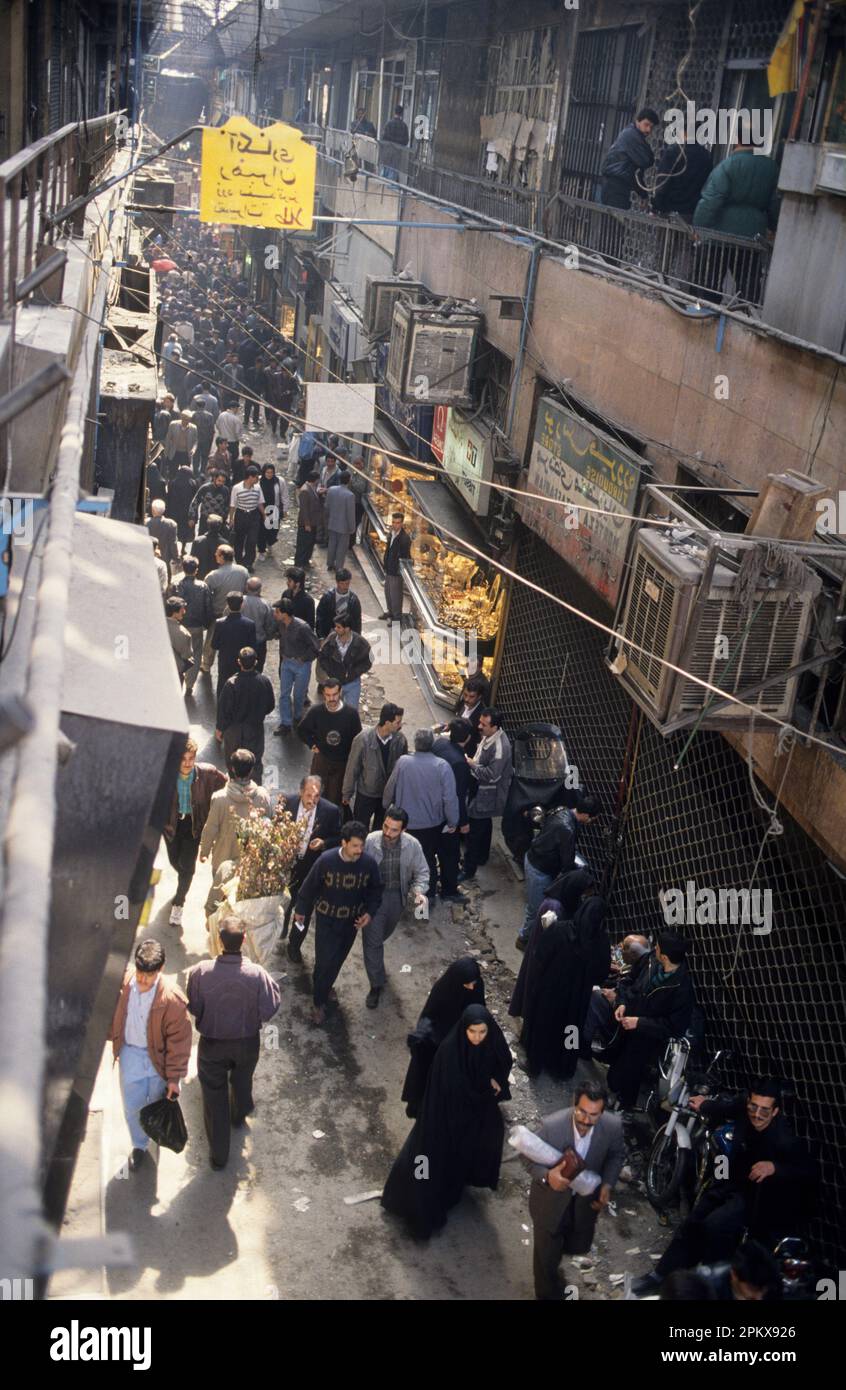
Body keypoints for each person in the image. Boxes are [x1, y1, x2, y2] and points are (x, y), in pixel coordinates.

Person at [632, 1080, 818, 1297]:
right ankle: (661, 1275)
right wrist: (703, 1105)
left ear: (775, 1111)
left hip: (752, 1196)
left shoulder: (783, 1140)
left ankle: (711, 1287)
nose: (757, 1114)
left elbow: (808, 1171)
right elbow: (722, 1108)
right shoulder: (743, 1107)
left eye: (764, 1110)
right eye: (753, 1106)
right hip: (728, 1179)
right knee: (693, 1221)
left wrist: (775, 1167)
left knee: (715, 1228)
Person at [381, 1003, 512, 1239]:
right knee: (431, 1162)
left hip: (471, 1116)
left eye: (482, 1032)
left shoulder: (492, 1043)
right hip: (445, 1117)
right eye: (472, 1032)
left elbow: (502, 1063)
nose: (477, 1037)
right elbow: (451, 1091)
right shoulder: (450, 1053)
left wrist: (495, 1080)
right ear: (464, 1030)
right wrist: (485, 1089)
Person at [187, 917, 280, 1170]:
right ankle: (239, 1114)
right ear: (244, 941)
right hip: (246, 1043)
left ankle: (219, 1156)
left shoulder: (200, 972)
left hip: (212, 1046)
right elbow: (270, 1007)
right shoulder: (257, 974)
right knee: (241, 1080)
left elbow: (194, 1007)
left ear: (219, 940)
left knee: (214, 1097)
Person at [525, 1082, 625, 1301]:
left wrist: (607, 1184)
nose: (585, 1121)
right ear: (574, 1104)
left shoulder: (613, 1127)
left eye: (593, 1115)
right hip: (548, 1207)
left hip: (583, 1207)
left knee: (575, 1245)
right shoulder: (551, 1126)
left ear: (603, 1112)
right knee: (545, 1263)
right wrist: (547, 1176)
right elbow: (527, 1157)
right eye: (581, 1111)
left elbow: (617, 1155)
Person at [107, 939, 192, 1171]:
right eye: (140, 974)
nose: (143, 980)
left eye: (150, 975)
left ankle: (154, 1135)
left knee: (156, 1103)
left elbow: (180, 1043)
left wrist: (174, 1079)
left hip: (159, 1062)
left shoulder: (172, 1000)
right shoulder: (122, 985)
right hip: (130, 1056)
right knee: (132, 1106)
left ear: (161, 970)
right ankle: (139, 1145)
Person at [518, 878, 610, 1079]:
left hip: (550, 991)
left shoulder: (560, 930)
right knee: (571, 1030)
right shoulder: (601, 943)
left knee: (544, 1025)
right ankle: (562, 1067)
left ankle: (535, 1064)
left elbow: (540, 955)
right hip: (577, 999)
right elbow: (602, 973)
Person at [293, 821, 382, 1024]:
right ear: (344, 843)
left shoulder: (368, 864)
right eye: (355, 846)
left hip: (351, 923)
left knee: (337, 960)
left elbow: (376, 890)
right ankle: (318, 1002)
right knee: (324, 962)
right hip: (327, 921)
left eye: (362, 846)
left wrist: (369, 912)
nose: (359, 850)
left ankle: (325, 986)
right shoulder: (326, 861)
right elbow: (308, 888)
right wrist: (300, 911)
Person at [606, 930, 696, 1110]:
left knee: (631, 1071)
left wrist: (639, 1023)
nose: (654, 948)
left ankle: (626, 1108)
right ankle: (615, 1093)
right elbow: (627, 982)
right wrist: (622, 1003)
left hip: (646, 1040)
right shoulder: (649, 962)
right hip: (623, 1025)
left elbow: (674, 1027)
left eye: (658, 947)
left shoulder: (682, 989)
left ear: (664, 956)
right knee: (615, 1068)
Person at [362, 806, 429, 1009]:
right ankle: (376, 984)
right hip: (373, 899)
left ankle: (375, 959)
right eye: (386, 827)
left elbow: (423, 872)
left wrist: (418, 891)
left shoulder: (413, 846)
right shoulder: (370, 841)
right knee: (372, 942)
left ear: (404, 830)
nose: (388, 833)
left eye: (394, 830)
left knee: (382, 935)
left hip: (396, 898)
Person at [400, 958, 484, 1118]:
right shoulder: (443, 991)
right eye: (467, 984)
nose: (472, 987)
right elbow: (429, 1016)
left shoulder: (475, 987)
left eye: (474, 983)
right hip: (434, 1048)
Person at [382, 728, 459, 899]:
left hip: (405, 825)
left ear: (415, 744)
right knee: (426, 861)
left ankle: (397, 894)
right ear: (432, 744)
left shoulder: (403, 762)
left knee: (401, 858)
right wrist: (453, 822)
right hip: (431, 826)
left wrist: (386, 805)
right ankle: (425, 899)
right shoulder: (442, 766)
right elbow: (450, 798)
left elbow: (390, 788)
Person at [517, 793, 601, 947]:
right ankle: (524, 938)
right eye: (592, 818)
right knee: (535, 909)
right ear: (586, 815)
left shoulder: (561, 810)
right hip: (539, 869)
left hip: (536, 860)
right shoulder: (567, 829)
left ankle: (531, 936)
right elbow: (567, 863)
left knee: (537, 906)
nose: (591, 822)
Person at [163, 739, 226, 926]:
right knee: (176, 862)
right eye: (183, 759)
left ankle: (178, 902)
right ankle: (183, 881)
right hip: (172, 826)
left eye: (191, 758)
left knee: (187, 868)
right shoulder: (167, 776)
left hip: (194, 825)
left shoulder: (207, 773)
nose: (187, 763)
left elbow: (226, 784)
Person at [281, 775, 343, 957]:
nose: (312, 800)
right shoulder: (287, 802)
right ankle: (282, 926)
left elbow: (339, 838)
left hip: (312, 869)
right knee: (284, 902)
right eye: (308, 795)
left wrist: (324, 842)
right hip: (287, 865)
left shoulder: (330, 811)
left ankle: (294, 944)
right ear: (301, 792)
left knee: (304, 909)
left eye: (316, 797)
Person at [460, 707, 513, 882]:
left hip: (487, 794)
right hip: (484, 792)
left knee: (475, 830)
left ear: (495, 727)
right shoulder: (490, 737)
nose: (479, 726)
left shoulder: (499, 748)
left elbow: (492, 775)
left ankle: (469, 868)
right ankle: (482, 857)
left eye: (484, 724)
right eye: (480, 722)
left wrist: (471, 765)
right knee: (484, 824)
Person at [199, 749, 272, 876]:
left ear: (232, 769)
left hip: (222, 860)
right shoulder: (262, 795)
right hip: (250, 861)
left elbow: (211, 828)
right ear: (251, 770)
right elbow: (269, 824)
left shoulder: (219, 798)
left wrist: (204, 852)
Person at [693, 139, 780, 238]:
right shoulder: (772, 168)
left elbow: (710, 201)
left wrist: (699, 227)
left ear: (737, 140)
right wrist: (774, 228)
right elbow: (774, 204)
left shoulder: (728, 165)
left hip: (723, 233)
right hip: (755, 236)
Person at [295, 677, 362, 805]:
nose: (332, 698)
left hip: (341, 764)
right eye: (328, 695)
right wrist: (312, 745)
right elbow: (302, 730)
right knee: (315, 796)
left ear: (340, 692)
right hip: (322, 761)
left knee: (335, 799)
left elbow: (357, 739)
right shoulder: (316, 711)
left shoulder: (351, 714)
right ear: (324, 694)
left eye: (335, 694)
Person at [582, 933, 651, 1053]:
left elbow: (634, 994)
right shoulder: (640, 964)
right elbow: (626, 984)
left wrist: (617, 997)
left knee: (596, 998)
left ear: (633, 954)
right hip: (624, 1003)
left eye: (623, 948)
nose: (620, 949)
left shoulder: (646, 970)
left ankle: (585, 1045)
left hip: (629, 1014)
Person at [342, 702, 406, 829]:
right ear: (387, 723)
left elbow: (402, 768)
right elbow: (352, 768)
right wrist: (347, 793)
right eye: (397, 722)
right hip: (366, 794)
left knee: (380, 829)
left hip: (386, 796)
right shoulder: (363, 740)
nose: (400, 725)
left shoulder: (400, 740)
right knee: (359, 828)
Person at [216, 646, 275, 783]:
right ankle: (254, 791)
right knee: (254, 761)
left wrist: (220, 728)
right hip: (255, 729)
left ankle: (234, 789)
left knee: (233, 761)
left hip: (233, 730)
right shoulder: (264, 682)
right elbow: (270, 705)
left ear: (239, 662)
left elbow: (223, 709)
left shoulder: (231, 684)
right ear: (255, 662)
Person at [272, 597, 321, 734]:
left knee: (299, 695)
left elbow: (315, 647)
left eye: (277, 611)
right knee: (284, 694)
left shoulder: (302, 627)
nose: (274, 614)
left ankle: (298, 717)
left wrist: (304, 658)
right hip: (286, 663)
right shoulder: (281, 624)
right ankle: (286, 723)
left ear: (284, 613)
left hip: (301, 666)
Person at [679, 1242, 782, 1303]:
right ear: (734, 1275)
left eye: (762, 1289)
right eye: (753, 1289)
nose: (759, 1297)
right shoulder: (704, 1287)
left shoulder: (771, 1282)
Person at [203, 544, 250, 674]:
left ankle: (206, 664)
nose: (215, 555)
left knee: (211, 640)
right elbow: (247, 589)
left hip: (218, 613)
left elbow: (205, 594)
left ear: (222, 557)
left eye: (217, 554)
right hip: (238, 612)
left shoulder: (213, 575)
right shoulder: (243, 571)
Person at [599, 108, 658, 209]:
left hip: (618, 186)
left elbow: (635, 173)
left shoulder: (634, 136)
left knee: (613, 222)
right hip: (615, 187)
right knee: (613, 222)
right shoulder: (631, 135)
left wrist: (643, 194)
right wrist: (643, 194)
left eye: (651, 127)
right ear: (638, 121)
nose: (648, 130)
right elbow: (646, 160)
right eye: (646, 124)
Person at [170, 556, 213, 695]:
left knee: (177, 653)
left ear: (183, 568)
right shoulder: (203, 586)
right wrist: (206, 623)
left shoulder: (177, 585)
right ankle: (189, 685)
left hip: (180, 624)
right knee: (196, 652)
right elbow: (208, 607)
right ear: (196, 570)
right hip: (197, 626)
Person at [651, 137, 713, 221]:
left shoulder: (673, 152)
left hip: (669, 213)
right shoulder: (706, 156)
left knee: (666, 234)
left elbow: (662, 184)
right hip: (691, 213)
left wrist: (655, 207)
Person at [318, 618, 373, 710]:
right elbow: (322, 657)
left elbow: (368, 661)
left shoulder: (360, 642)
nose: (335, 629)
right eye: (335, 626)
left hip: (352, 684)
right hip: (334, 684)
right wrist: (330, 671)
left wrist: (354, 673)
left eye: (338, 627)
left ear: (347, 629)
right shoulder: (331, 638)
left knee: (351, 713)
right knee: (333, 711)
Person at [211, 592, 258, 699]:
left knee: (223, 685)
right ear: (242, 604)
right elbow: (253, 646)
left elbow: (214, 645)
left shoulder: (219, 623)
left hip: (225, 660)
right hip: (242, 661)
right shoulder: (250, 624)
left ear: (227, 604)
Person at [228, 465, 265, 571]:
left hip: (254, 516)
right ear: (250, 477)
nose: (257, 479)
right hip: (241, 515)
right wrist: (231, 519)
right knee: (239, 540)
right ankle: (239, 562)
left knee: (252, 541)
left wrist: (264, 515)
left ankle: (248, 562)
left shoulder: (257, 487)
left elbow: (260, 503)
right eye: (256, 477)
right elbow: (233, 505)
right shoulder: (237, 488)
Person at [241, 576, 277, 671]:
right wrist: (268, 636)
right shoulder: (265, 604)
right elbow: (270, 625)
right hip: (259, 643)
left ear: (246, 588)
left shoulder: (240, 601)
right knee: (258, 669)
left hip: (241, 641)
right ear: (260, 589)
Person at [324, 470, 357, 571]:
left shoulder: (331, 490)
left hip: (332, 522)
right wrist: (352, 528)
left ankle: (330, 563)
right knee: (341, 548)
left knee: (332, 544)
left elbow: (327, 506)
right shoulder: (350, 495)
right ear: (349, 480)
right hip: (344, 526)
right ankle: (338, 566)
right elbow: (350, 514)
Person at [315, 568, 362, 638]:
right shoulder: (328, 597)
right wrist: (321, 637)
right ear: (337, 582)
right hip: (330, 632)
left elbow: (357, 621)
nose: (345, 586)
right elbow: (320, 617)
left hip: (346, 634)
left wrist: (356, 638)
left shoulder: (353, 600)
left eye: (347, 583)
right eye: (342, 584)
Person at [381, 511, 411, 622]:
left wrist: (398, 570)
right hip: (389, 568)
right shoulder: (392, 534)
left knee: (396, 595)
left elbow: (404, 557)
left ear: (402, 524)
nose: (395, 525)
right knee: (388, 592)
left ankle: (396, 616)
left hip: (396, 571)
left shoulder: (404, 539)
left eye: (397, 523)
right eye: (393, 522)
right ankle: (390, 612)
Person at [257, 462, 288, 556]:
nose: (269, 474)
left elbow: (284, 495)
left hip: (274, 509)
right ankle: (261, 550)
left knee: (273, 530)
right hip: (261, 510)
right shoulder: (258, 481)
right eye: (267, 472)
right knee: (261, 531)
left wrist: (285, 509)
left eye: (271, 472)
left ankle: (269, 543)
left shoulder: (279, 481)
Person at [294, 469, 323, 568]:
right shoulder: (305, 491)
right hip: (307, 524)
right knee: (303, 544)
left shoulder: (312, 488)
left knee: (309, 544)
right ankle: (299, 563)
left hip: (312, 522)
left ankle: (305, 561)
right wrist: (307, 524)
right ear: (315, 480)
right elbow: (304, 510)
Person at [165, 459, 197, 548]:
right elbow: (195, 499)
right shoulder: (192, 483)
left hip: (174, 511)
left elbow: (169, 496)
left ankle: (173, 547)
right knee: (184, 532)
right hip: (186, 512)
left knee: (174, 530)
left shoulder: (173, 482)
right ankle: (183, 547)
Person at [189, 469, 231, 536]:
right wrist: (192, 517)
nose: (221, 483)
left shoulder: (225, 491)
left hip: (218, 523)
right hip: (205, 521)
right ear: (214, 478)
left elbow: (226, 507)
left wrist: (224, 520)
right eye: (219, 480)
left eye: (223, 482)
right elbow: (195, 502)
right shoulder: (205, 488)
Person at [147, 498, 179, 580]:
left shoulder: (146, 523)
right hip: (165, 558)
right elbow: (173, 543)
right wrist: (176, 557)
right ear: (164, 510)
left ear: (152, 510)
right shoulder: (171, 524)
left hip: (149, 557)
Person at [166, 596, 194, 688]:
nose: (184, 612)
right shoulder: (183, 633)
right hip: (175, 671)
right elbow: (187, 655)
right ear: (174, 612)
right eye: (182, 610)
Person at [190, 514, 228, 581]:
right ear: (220, 527)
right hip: (218, 578)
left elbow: (192, 560)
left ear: (208, 526)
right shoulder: (225, 543)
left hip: (200, 577)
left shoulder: (198, 541)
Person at [163, 409, 198, 476]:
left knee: (185, 473)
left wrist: (193, 450)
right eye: (185, 419)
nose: (186, 421)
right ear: (181, 417)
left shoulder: (193, 428)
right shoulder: (173, 424)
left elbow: (195, 441)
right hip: (175, 452)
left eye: (188, 419)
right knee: (172, 472)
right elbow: (168, 439)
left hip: (185, 453)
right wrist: (166, 453)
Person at [216, 402, 243, 473]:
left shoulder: (221, 415)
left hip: (221, 441)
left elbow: (217, 425)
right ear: (233, 408)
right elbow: (237, 433)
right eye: (237, 408)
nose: (237, 410)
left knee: (221, 457)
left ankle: (222, 471)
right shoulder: (236, 419)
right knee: (233, 459)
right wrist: (240, 439)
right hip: (232, 442)